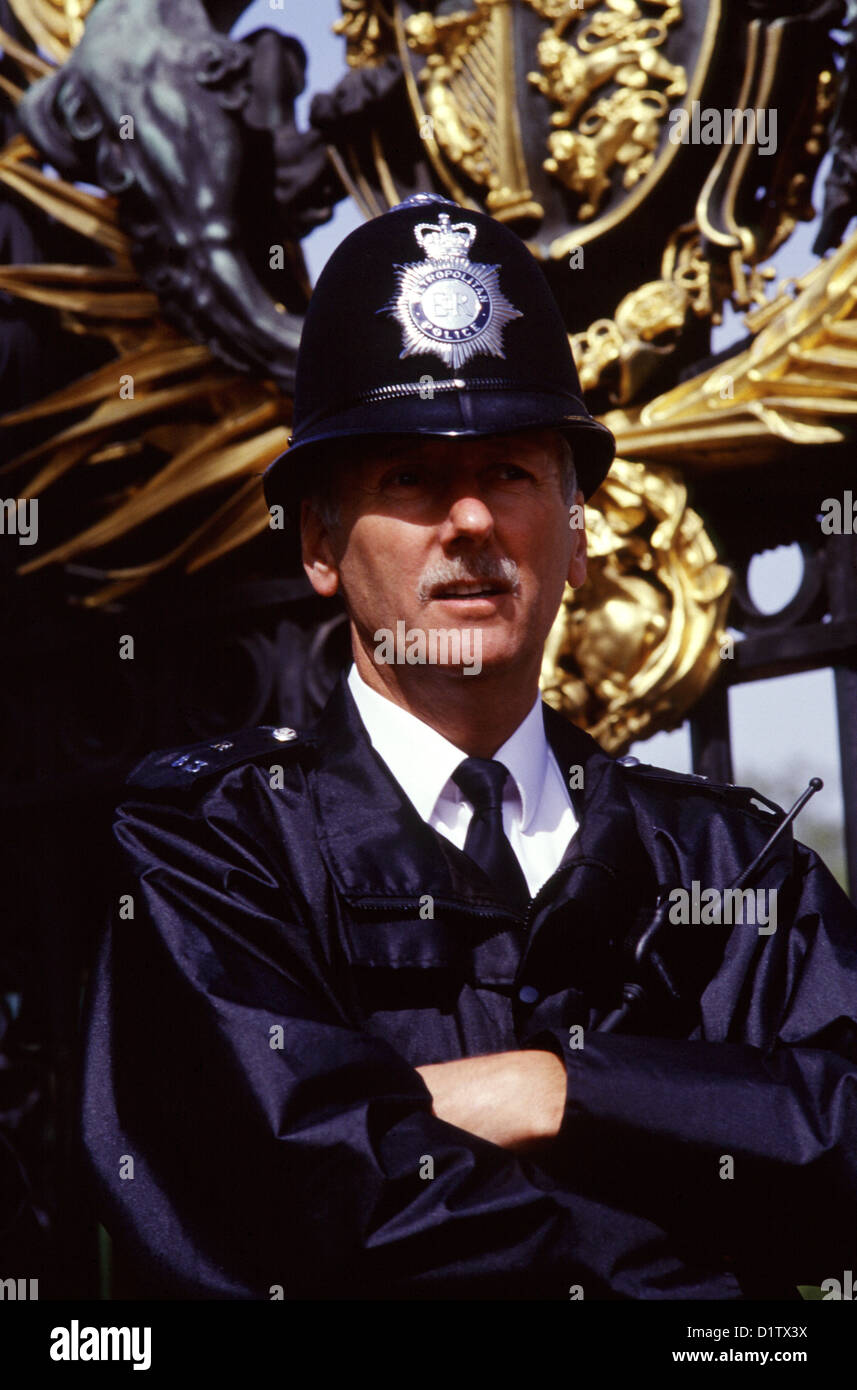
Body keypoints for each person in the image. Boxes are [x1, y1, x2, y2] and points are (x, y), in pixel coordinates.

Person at [80, 195, 857, 1301]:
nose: (472, 521)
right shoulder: (212, 854)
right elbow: (303, 1201)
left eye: (507, 472)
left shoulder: (733, 869)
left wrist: (558, 1087)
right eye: (409, 476)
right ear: (316, 541)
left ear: (577, 530)